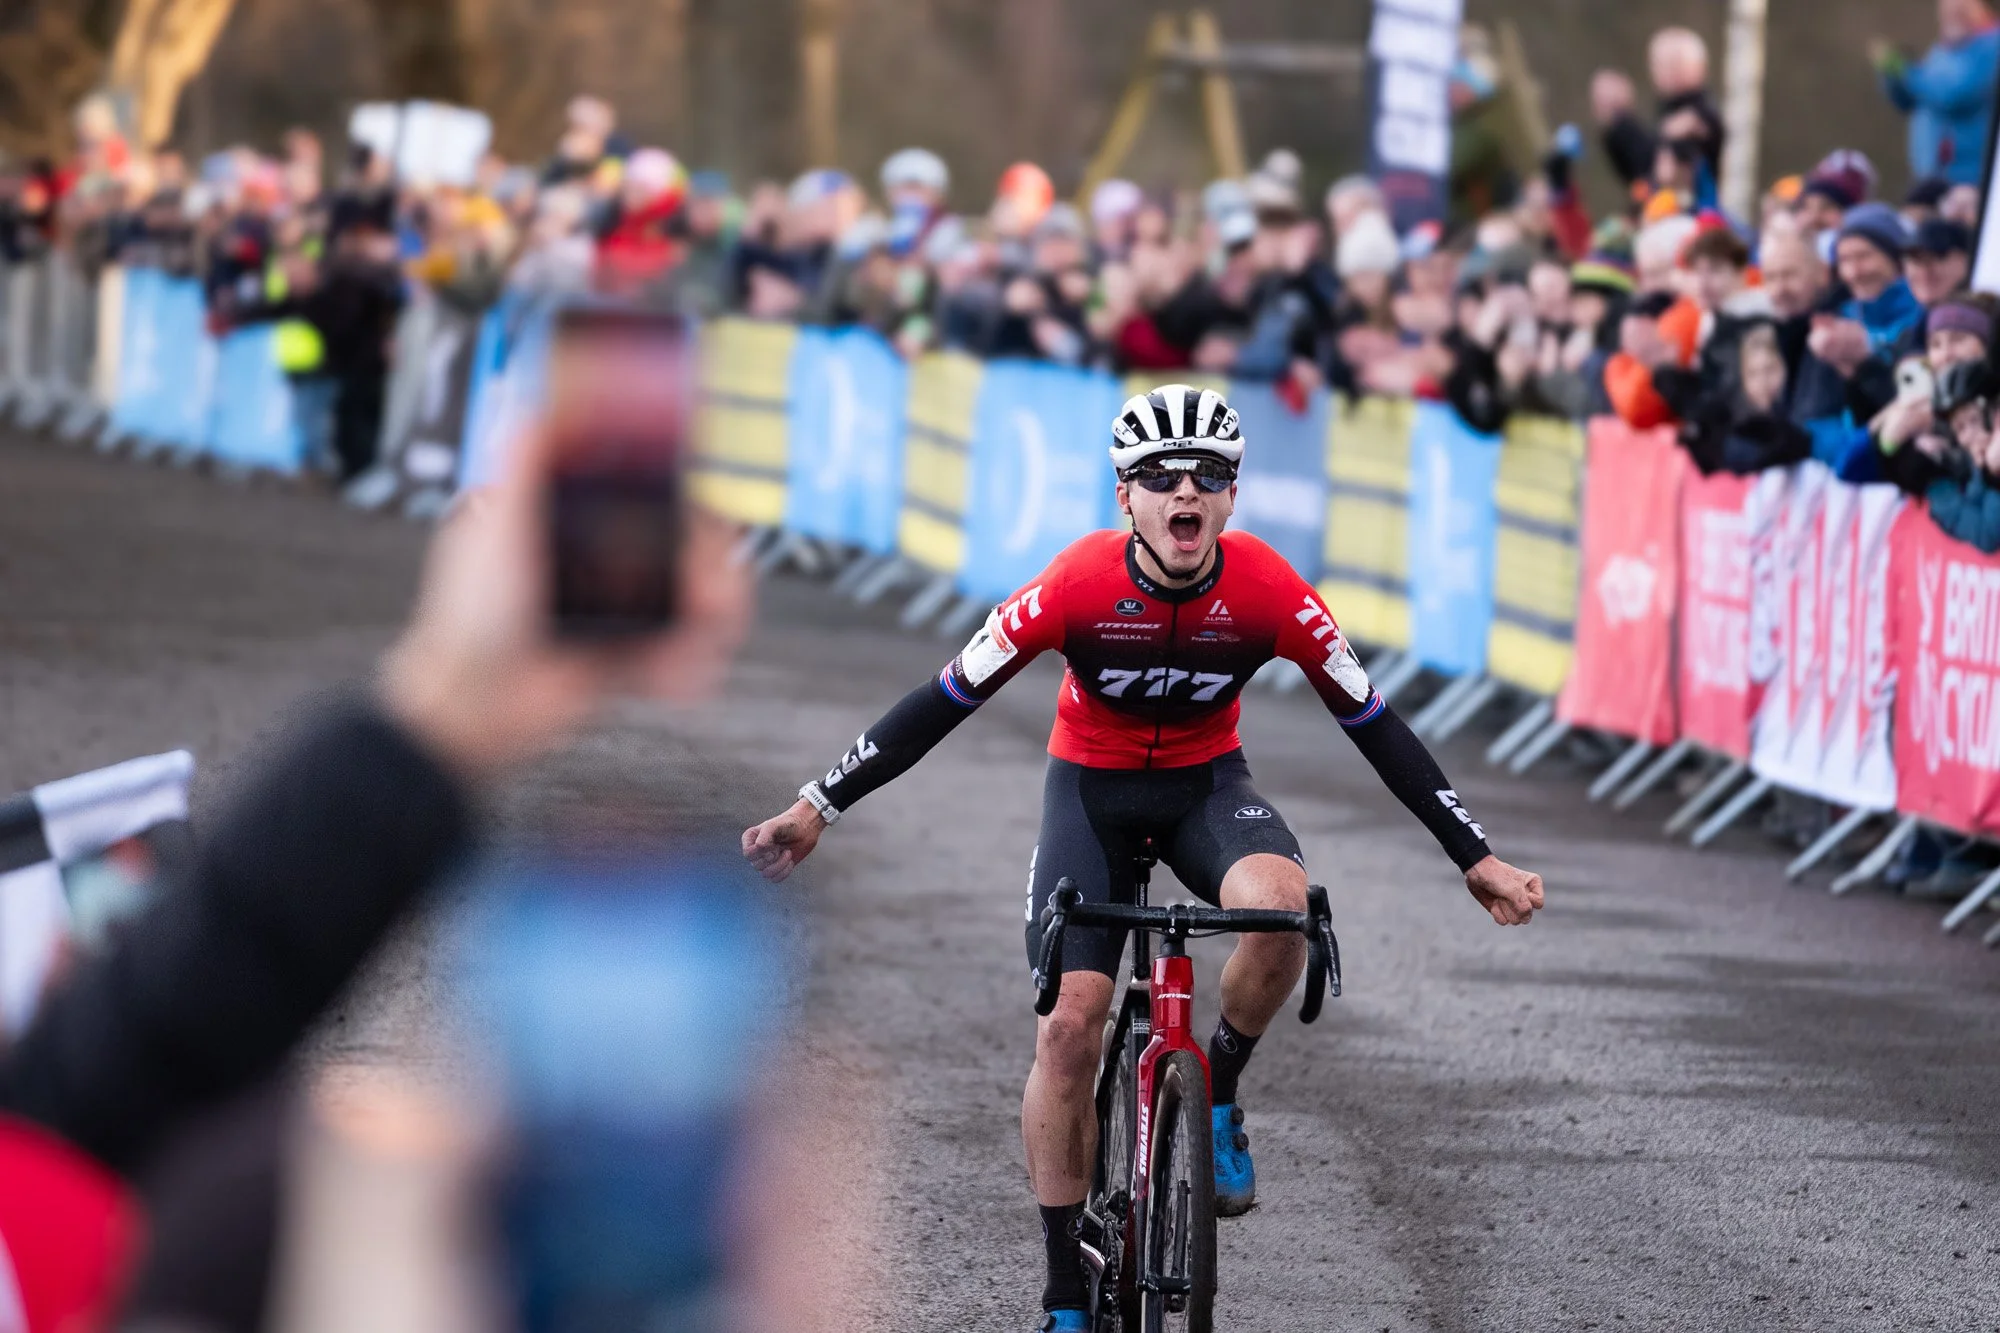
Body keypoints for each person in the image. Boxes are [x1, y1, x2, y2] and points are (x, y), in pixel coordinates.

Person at [739, 385, 1545, 1332]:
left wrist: (1474, 855)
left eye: (1207, 475)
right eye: (1160, 477)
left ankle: (1219, 1093)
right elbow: (943, 699)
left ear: (1233, 495)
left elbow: (1376, 724)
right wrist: (818, 805)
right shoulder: (1074, 584)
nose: (1184, 491)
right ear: (1125, 495)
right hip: (1092, 795)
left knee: (1282, 909)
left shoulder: (1271, 590)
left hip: (1207, 787)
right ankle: (1064, 1294)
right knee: (1069, 1027)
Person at [1874, 0, 2000, 186]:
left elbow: (1955, 94)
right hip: (1930, 175)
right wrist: (1892, 76)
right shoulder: (1942, 49)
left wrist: (1907, 72)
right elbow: (1913, 100)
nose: (1951, 14)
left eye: (1959, 8)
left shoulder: (1992, 44)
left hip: (1969, 178)